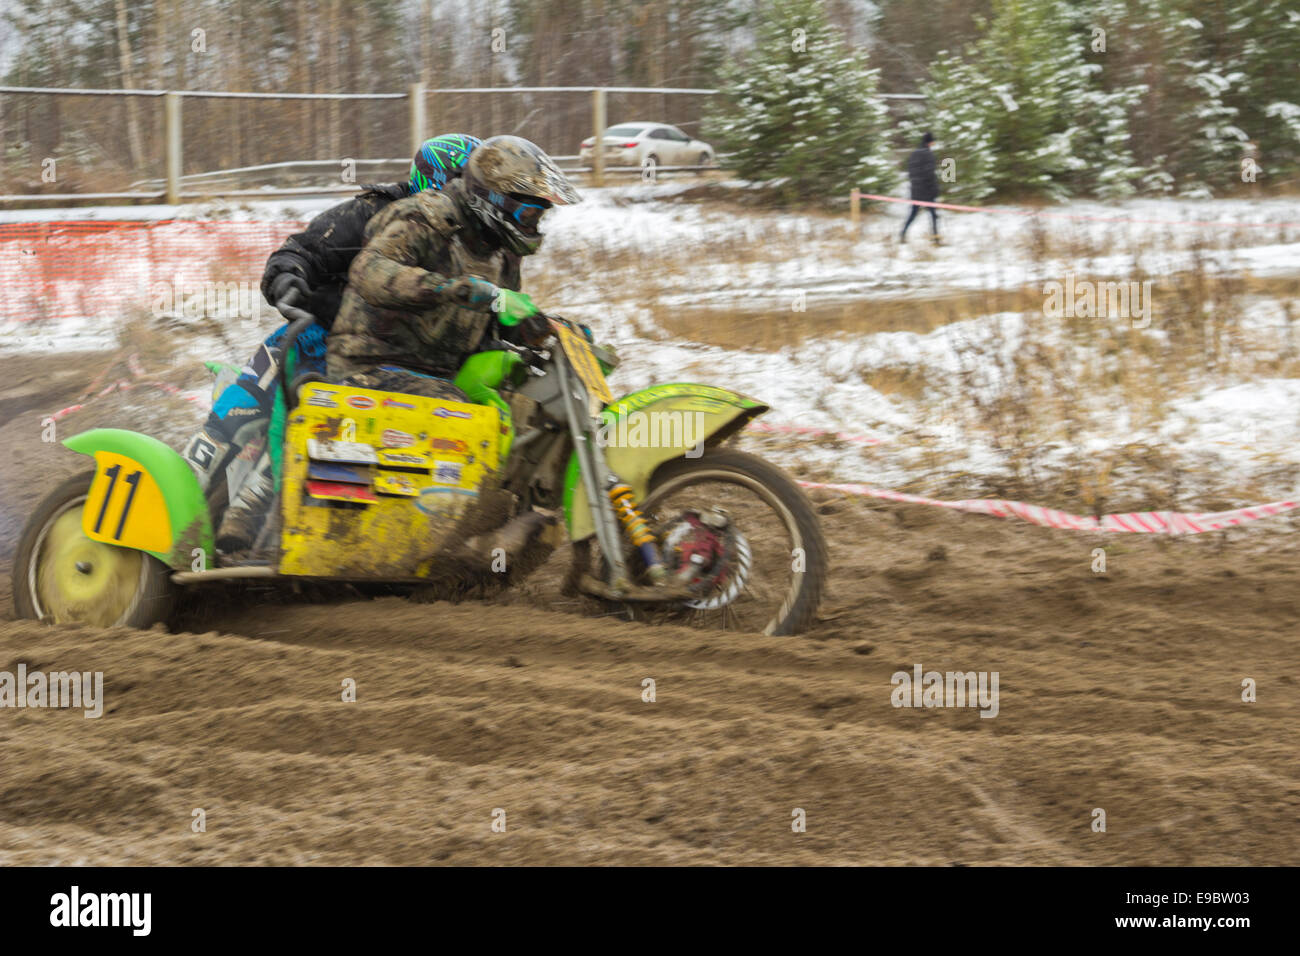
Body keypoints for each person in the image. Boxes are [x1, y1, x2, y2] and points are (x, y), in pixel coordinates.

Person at [184, 133, 482, 552]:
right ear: (435, 179)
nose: (469, 196)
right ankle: (210, 507)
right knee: (240, 412)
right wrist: (290, 279)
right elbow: (301, 249)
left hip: (397, 358)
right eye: (463, 183)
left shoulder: (473, 240)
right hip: (317, 332)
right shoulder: (372, 211)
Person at [327, 134, 579, 404]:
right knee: (455, 408)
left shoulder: (501, 253)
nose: (533, 224)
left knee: (533, 408)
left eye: (540, 216)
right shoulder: (423, 218)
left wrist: (544, 329)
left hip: (445, 374)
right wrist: (456, 289)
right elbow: (370, 271)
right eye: (528, 214)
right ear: (495, 199)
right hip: (370, 369)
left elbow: (495, 321)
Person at [900, 131, 940, 244]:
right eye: (933, 142)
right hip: (927, 191)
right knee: (933, 214)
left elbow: (911, 173)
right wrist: (935, 189)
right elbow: (930, 174)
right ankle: (936, 237)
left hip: (916, 190)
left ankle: (902, 233)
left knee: (913, 214)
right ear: (930, 142)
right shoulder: (929, 155)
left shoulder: (913, 154)